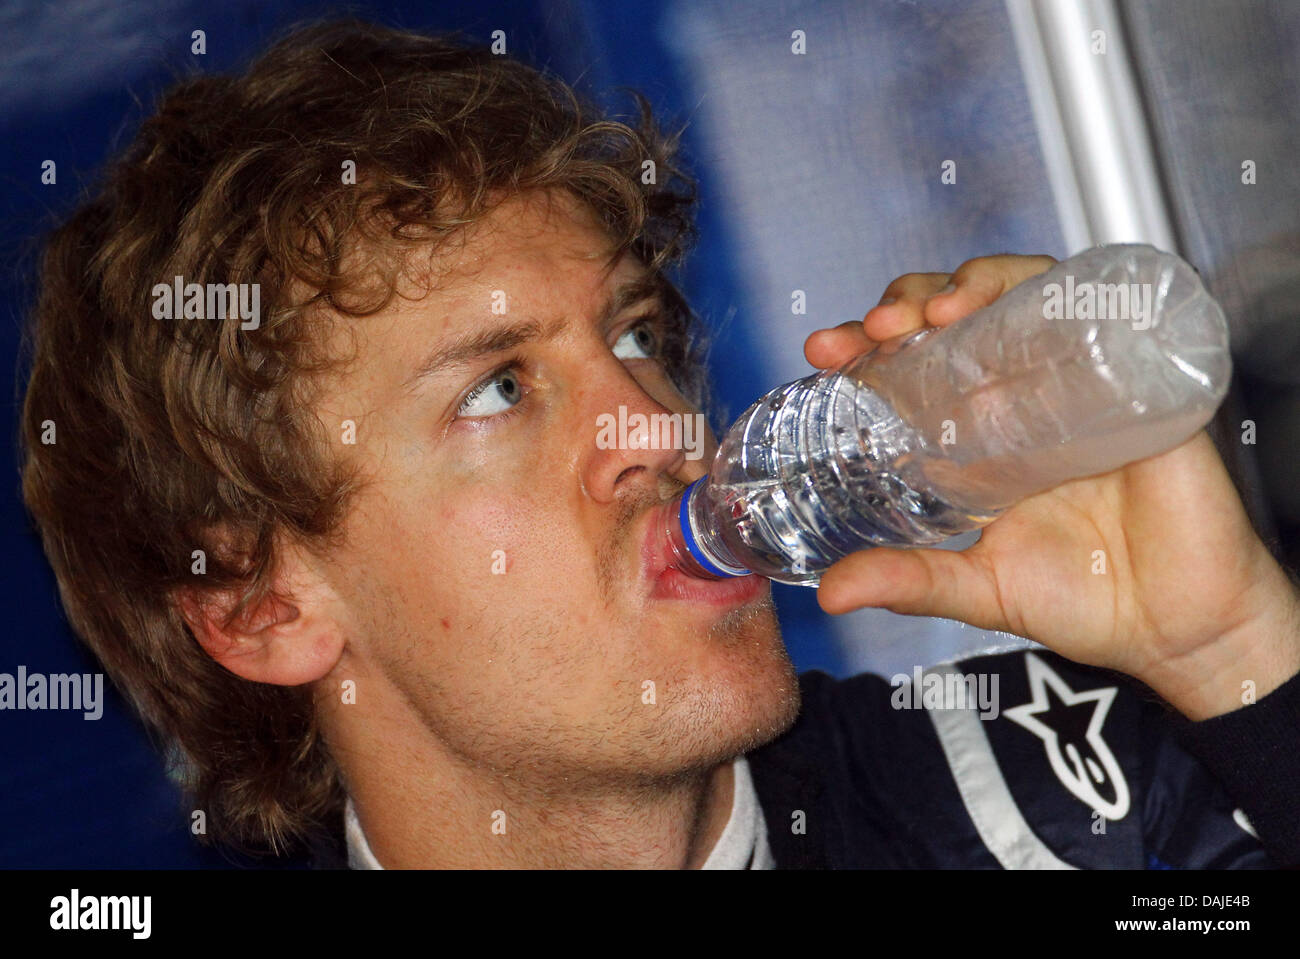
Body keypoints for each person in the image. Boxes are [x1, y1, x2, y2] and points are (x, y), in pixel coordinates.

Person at [20, 19, 1300, 869]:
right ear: (261, 606)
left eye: (633, 329)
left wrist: (1235, 654)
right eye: (497, 387)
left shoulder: (1072, 804)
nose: (661, 422)